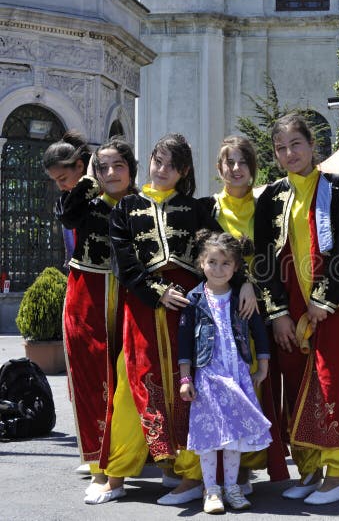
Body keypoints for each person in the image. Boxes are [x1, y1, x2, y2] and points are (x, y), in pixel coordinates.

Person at [105, 133, 253, 506]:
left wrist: (245, 283)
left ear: (184, 171)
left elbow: (221, 251)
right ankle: (116, 473)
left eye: (172, 165)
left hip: (189, 307)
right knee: (134, 383)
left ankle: (191, 476)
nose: (162, 170)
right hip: (143, 306)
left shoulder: (194, 208)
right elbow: (123, 261)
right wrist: (156, 291)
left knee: (190, 387)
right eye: (158, 161)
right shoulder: (125, 208)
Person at [253, 113, 339, 505]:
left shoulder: (337, 188)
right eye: (281, 148)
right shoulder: (270, 197)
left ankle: (336, 475)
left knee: (330, 382)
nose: (289, 153)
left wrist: (323, 300)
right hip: (288, 307)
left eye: (296, 144)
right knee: (297, 383)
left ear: (312, 145)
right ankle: (309, 470)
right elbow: (263, 262)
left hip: (332, 303)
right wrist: (278, 314)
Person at [198, 136, 289, 487]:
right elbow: (207, 262)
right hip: (222, 308)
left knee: (255, 382)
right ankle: (223, 468)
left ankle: (249, 462)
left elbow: (272, 257)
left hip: (260, 308)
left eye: (243, 162)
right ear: (219, 167)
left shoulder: (267, 207)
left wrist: (253, 285)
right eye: (229, 162)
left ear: (253, 167)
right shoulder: (208, 209)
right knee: (223, 387)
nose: (236, 169)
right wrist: (241, 283)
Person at [56, 137, 137, 500]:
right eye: (103, 167)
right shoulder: (84, 203)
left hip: (132, 296)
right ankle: (98, 466)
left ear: (132, 169)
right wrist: (90, 179)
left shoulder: (142, 205)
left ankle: (150, 457)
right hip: (88, 297)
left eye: (119, 165)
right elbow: (66, 216)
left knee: (135, 375)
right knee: (93, 381)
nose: (111, 173)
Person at [178, 231, 273, 514]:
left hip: (236, 374)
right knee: (209, 437)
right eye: (212, 262)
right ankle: (211, 490)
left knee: (233, 435)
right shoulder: (194, 299)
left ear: (235, 267)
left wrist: (263, 366)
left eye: (225, 264)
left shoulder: (241, 297)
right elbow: (184, 340)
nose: (218, 269)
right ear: (201, 263)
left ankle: (232, 487)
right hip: (207, 376)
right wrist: (185, 378)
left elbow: (258, 330)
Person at [43, 130, 90, 267]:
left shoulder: (101, 199)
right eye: (56, 181)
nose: (60, 187)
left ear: (79, 166)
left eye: (62, 179)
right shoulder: (67, 203)